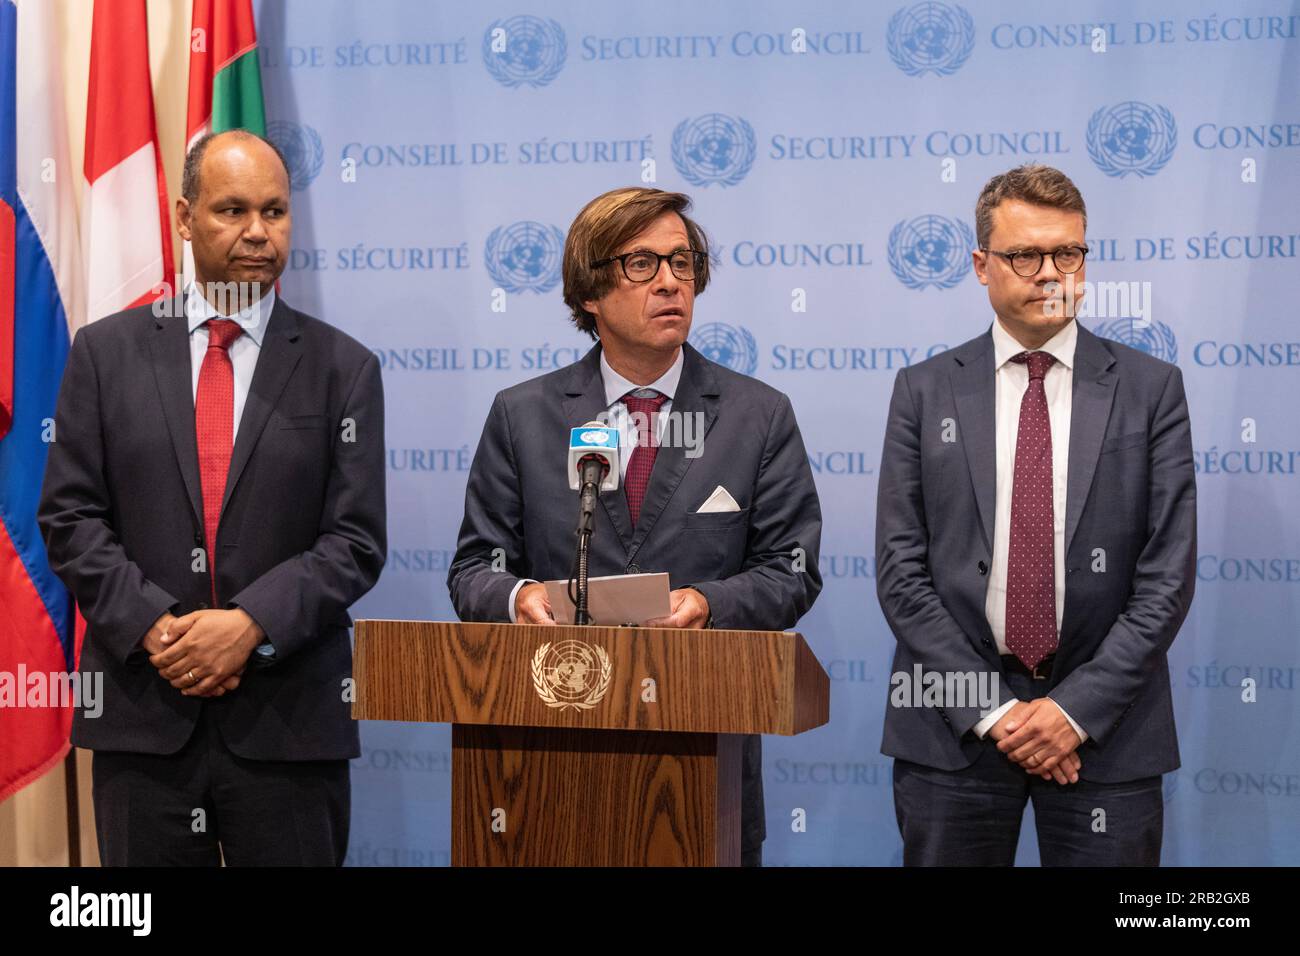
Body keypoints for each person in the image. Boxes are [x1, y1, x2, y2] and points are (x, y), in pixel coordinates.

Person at [39, 129, 386, 865]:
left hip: (289, 722)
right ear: (183, 216)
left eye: (275, 211)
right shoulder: (104, 354)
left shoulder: (343, 369)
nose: (259, 232)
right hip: (144, 717)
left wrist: (249, 624)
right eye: (232, 210)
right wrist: (158, 627)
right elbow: (70, 518)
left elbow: (354, 541)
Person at [447, 187, 823, 866]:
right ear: (589, 290)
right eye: (642, 265)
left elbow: (792, 569)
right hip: (548, 754)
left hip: (701, 753)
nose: (672, 283)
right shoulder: (523, 415)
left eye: (683, 263)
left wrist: (708, 602)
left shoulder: (756, 415)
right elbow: (475, 570)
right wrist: (518, 598)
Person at [876, 164, 1195, 865]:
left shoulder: (1151, 391)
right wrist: (999, 715)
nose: (1050, 273)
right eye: (1026, 255)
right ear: (982, 266)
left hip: (1107, 733)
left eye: (1068, 253)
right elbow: (902, 575)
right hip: (954, 730)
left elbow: (1166, 577)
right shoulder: (924, 392)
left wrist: (1071, 713)